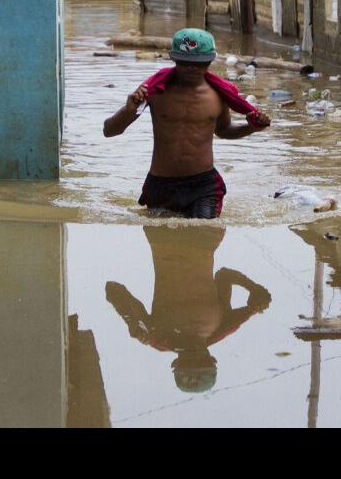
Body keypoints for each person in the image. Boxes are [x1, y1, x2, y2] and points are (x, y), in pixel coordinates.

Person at [103, 28, 270, 219]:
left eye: (199, 63)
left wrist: (252, 127)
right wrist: (128, 110)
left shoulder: (219, 95)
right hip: (160, 185)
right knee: (161, 238)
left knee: (204, 233)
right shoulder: (154, 91)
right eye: (185, 63)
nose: (192, 68)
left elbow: (224, 130)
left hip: (203, 186)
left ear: (210, 61)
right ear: (174, 59)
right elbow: (109, 130)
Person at [104, 226, 272, 393]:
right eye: (200, 360)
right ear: (211, 357)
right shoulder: (221, 328)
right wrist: (254, 289)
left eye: (189, 361)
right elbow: (225, 276)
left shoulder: (158, 337)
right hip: (204, 236)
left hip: (162, 235)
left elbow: (113, 289)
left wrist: (131, 321)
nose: (194, 354)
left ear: (176, 362)